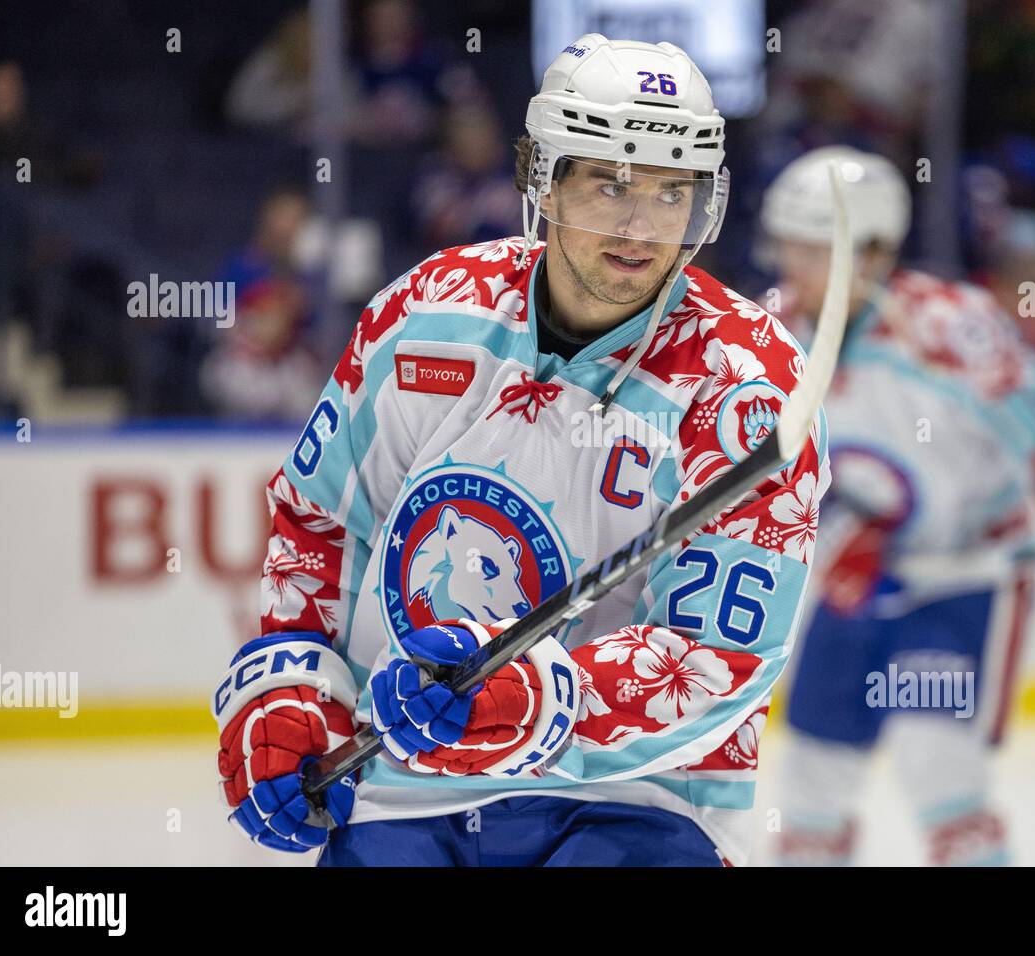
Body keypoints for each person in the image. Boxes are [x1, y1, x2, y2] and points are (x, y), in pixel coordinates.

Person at [211, 34, 828, 867]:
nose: (642, 227)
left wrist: (538, 697)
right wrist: (291, 689)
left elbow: (716, 660)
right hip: (406, 781)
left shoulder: (747, 385)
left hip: (642, 795)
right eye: (611, 184)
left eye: (670, 191)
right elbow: (320, 522)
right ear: (545, 177)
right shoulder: (431, 314)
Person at [759, 146, 1035, 866]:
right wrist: (838, 536)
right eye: (786, 244)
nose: (790, 265)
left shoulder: (946, 327)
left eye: (811, 246)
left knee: (938, 765)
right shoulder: (775, 332)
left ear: (870, 252)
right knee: (810, 780)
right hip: (854, 584)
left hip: (965, 576)